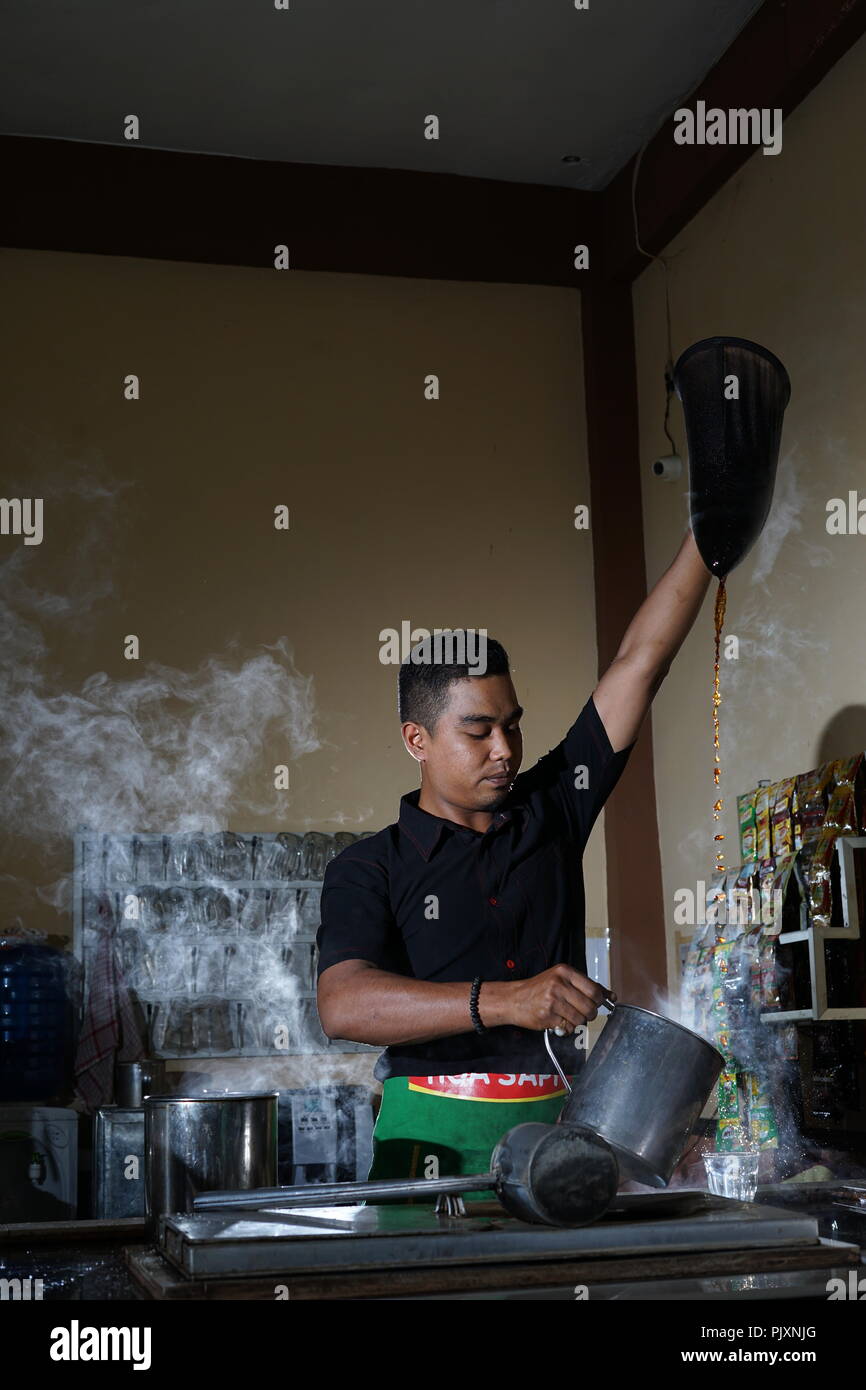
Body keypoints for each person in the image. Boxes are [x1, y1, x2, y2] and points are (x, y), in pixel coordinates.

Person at [316, 529, 712, 1190]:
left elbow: (640, 663)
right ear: (417, 738)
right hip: (428, 1145)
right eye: (478, 731)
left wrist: (708, 536)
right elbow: (343, 1004)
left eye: (513, 724)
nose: (505, 749)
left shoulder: (554, 808)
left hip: (567, 1133)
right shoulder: (368, 868)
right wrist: (508, 1000)